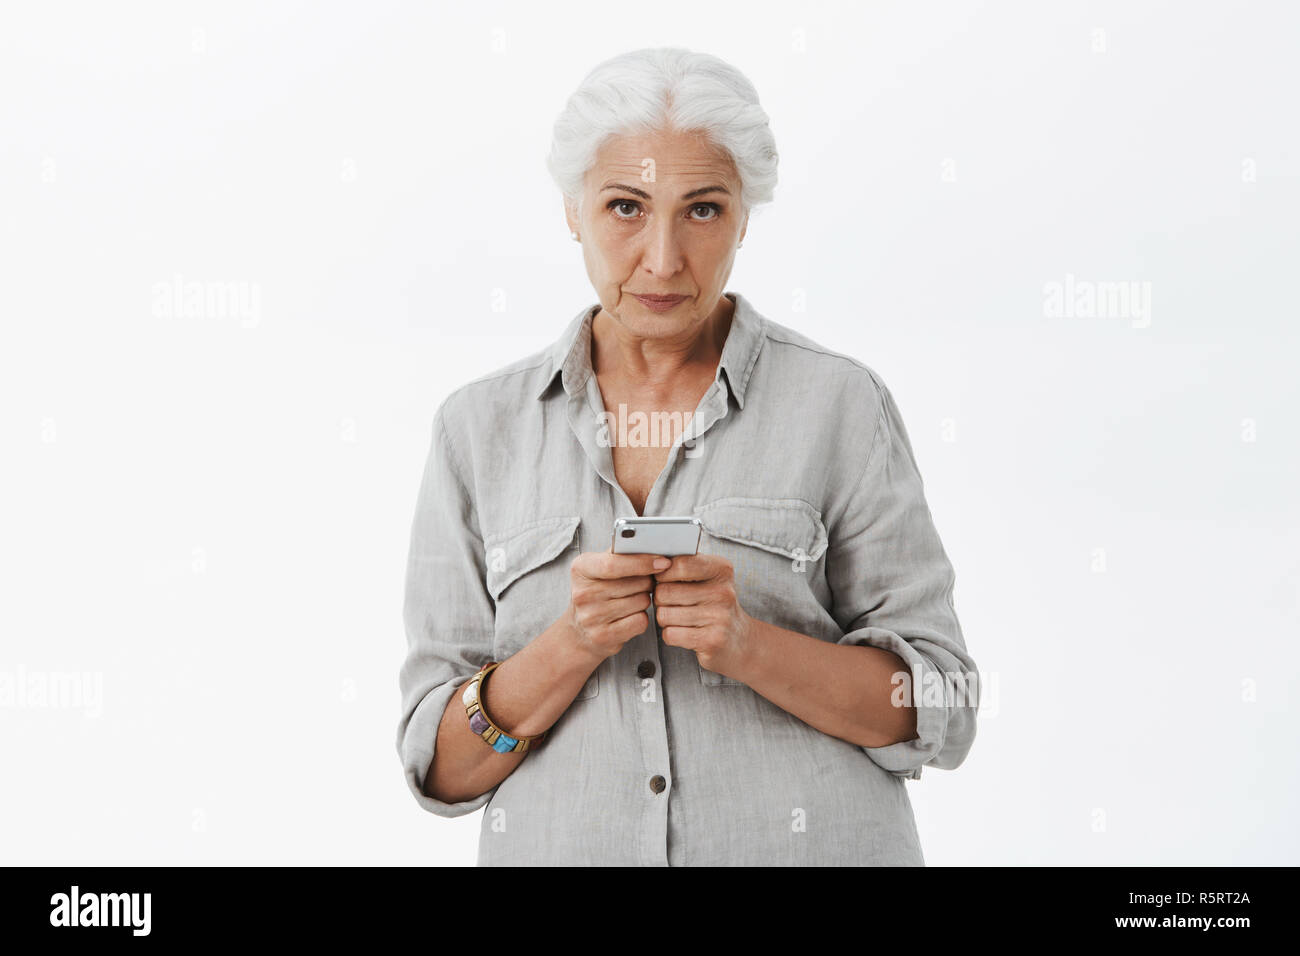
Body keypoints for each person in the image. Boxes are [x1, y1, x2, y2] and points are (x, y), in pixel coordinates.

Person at [396, 46, 978, 865]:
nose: (663, 259)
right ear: (573, 210)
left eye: (702, 210)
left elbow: (942, 706)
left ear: (745, 215)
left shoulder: (841, 405)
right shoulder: (476, 430)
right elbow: (442, 771)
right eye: (625, 207)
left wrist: (750, 645)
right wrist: (570, 644)